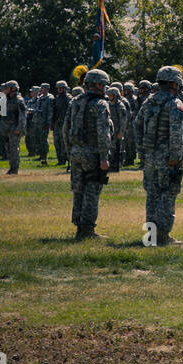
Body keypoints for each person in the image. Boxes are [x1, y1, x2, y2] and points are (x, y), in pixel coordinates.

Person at [136, 66, 183, 246]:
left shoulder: (149, 101)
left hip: (150, 156)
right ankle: (163, 236)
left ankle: (151, 236)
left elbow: (137, 124)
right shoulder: (175, 103)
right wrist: (176, 156)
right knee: (167, 195)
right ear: (175, 82)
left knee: (152, 195)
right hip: (167, 158)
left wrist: (142, 150)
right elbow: (175, 132)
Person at [68, 69, 113, 240]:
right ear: (99, 84)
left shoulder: (75, 102)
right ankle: (87, 230)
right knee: (92, 191)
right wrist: (104, 157)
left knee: (78, 190)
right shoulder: (100, 104)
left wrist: (70, 150)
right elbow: (103, 132)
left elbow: (67, 128)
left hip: (76, 152)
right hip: (93, 153)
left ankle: (79, 226)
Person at [0, 80, 27, 175]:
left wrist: (19, 128)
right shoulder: (5, 99)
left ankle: (14, 169)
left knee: (14, 149)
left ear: (13, 89)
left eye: (7, 88)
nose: (5, 90)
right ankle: (11, 167)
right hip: (6, 128)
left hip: (15, 128)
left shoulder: (19, 100)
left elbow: (22, 116)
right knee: (9, 148)